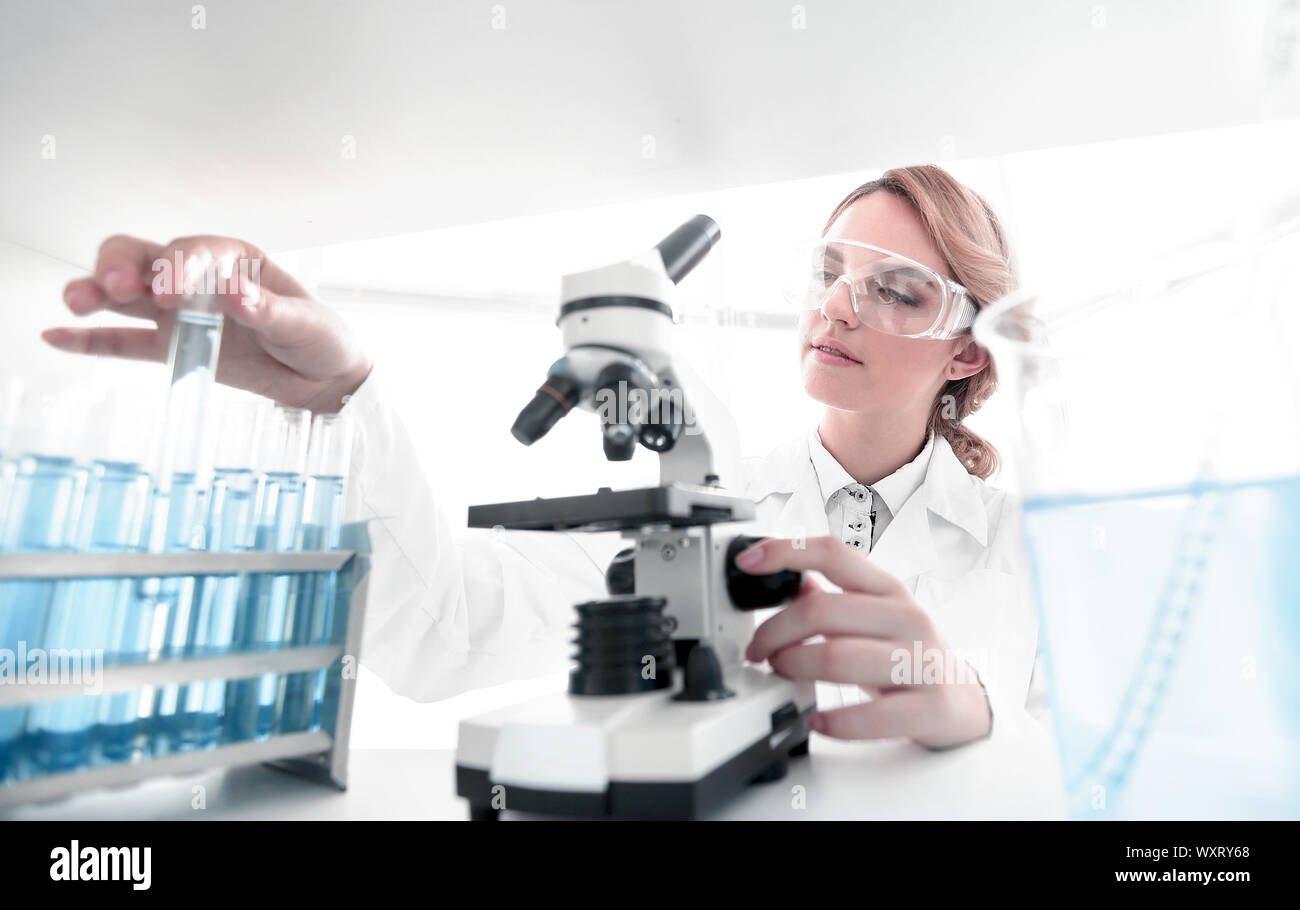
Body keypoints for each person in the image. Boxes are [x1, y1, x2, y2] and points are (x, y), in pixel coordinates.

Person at [43, 165, 1050, 753]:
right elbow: (443, 632)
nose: (836, 304)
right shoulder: (711, 502)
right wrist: (340, 391)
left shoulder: (1033, 550)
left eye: (897, 291)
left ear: (968, 347)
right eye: (829, 272)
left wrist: (974, 707)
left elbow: (1124, 808)